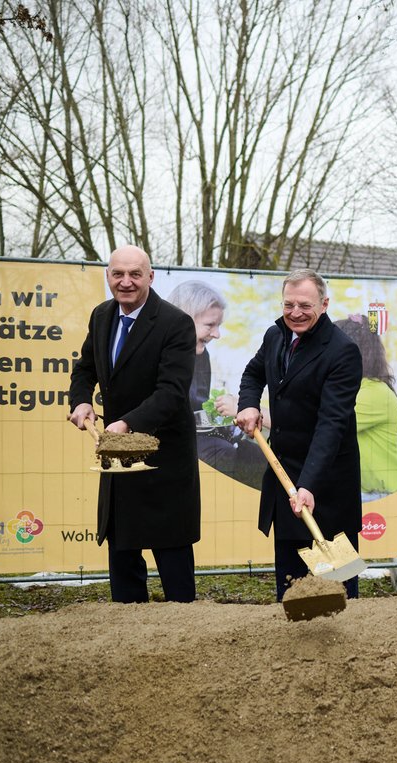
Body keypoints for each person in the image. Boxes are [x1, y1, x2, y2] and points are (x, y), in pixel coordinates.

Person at [67, 244, 200, 603]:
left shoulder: (176, 323)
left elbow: (171, 393)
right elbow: (85, 367)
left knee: (172, 557)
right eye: (118, 274)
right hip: (118, 457)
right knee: (122, 550)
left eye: (135, 274)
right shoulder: (102, 316)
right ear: (108, 276)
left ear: (150, 277)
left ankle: (188, 633)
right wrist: (80, 400)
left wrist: (126, 425)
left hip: (163, 459)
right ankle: (126, 628)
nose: (125, 282)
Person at [235, 269, 363, 601]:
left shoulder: (342, 351)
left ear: (324, 303)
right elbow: (253, 373)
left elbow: (331, 424)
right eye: (288, 304)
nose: (295, 313)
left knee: (337, 590)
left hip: (328, 482)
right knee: (292, 585)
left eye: (304, 305)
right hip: (285, 474)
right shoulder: (275, 336)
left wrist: (309, 484)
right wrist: (249, 404)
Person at [166, 280, 266, 489]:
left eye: (218, 326)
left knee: (259, 457)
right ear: (183, 319)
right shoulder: (162, 357)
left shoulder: (201, 355)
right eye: (210, 325)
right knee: (224, 452)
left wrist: (227, 416)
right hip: (171, 447)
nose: (217, 334)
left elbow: (197, 407)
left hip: (198, 438)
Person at [335, 315, 397, 502]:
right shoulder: (359, 388)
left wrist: (259, 415)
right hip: (369, 494)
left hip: (385, 498)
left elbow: (315, 427)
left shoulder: (372, 394)